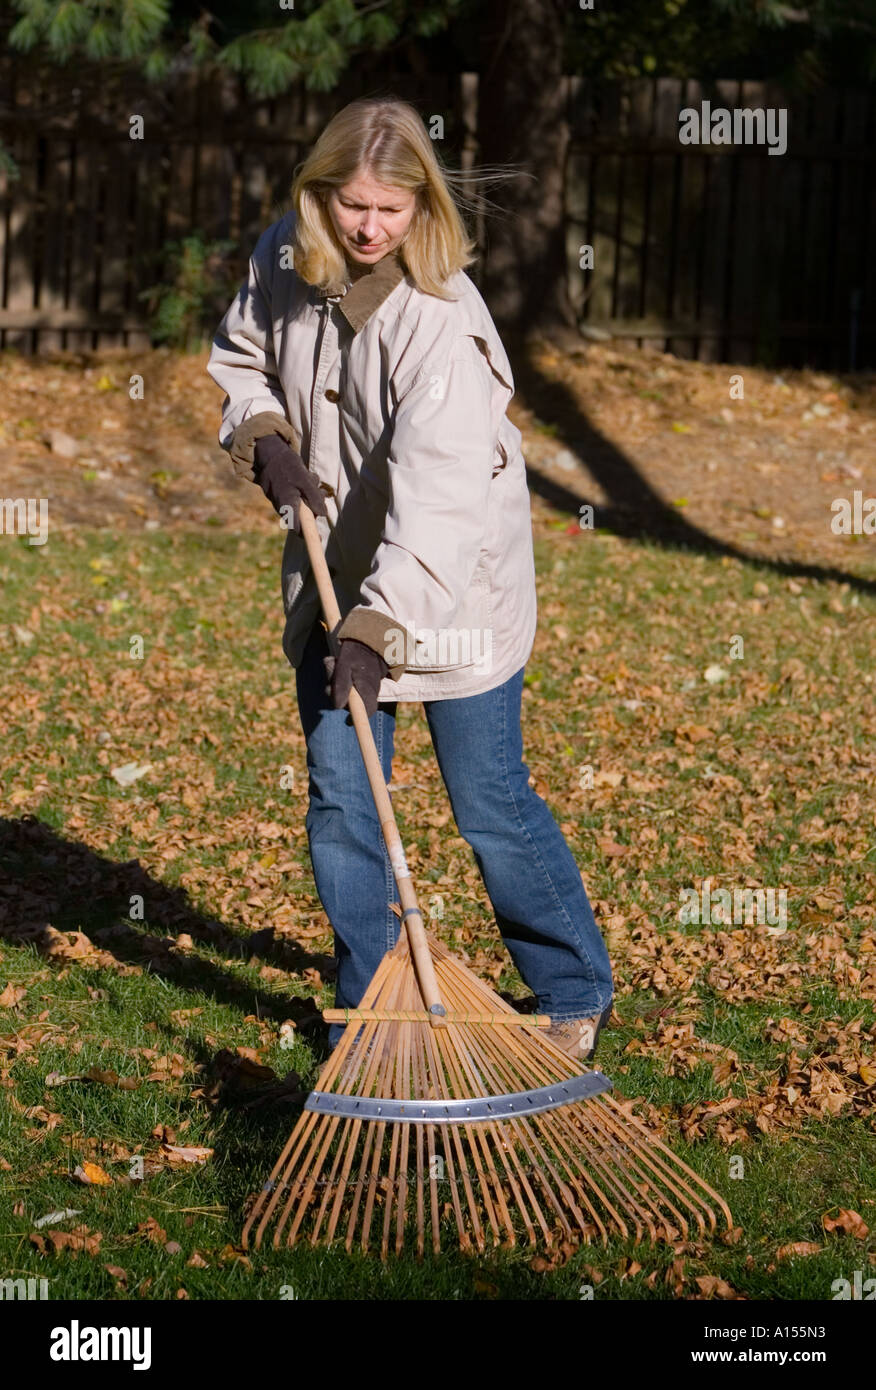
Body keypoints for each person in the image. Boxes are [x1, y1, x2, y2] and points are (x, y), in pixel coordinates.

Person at [206, 97, 613, 1062]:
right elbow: (241, 360)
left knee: (489, 802)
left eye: (391, 209)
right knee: (345, 798)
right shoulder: (283, 256)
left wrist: (377, 626)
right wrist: (262, 437)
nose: (369, 228)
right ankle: (377, 1000)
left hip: (451, 593)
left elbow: (440, 500)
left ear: (422, 204)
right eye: (352, 205)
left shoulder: (442, 322)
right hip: (332, 573)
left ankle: (569, 986)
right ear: (319, 195)